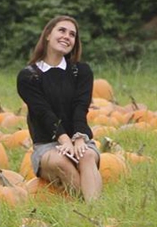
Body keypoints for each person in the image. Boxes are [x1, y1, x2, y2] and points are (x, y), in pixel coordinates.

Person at [16, 15, 102, 201]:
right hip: (47, 144)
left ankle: (95, 211)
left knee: (86, 156)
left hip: (79, 139)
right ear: (48, 34)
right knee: (61, 162)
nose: (67, 36)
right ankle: (86, 205)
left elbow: (81, 107)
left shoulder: (81, 71)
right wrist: (64, 140)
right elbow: (43, 113)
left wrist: (78, 138)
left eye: (72, 34)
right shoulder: (28, 76)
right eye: (61, 30)